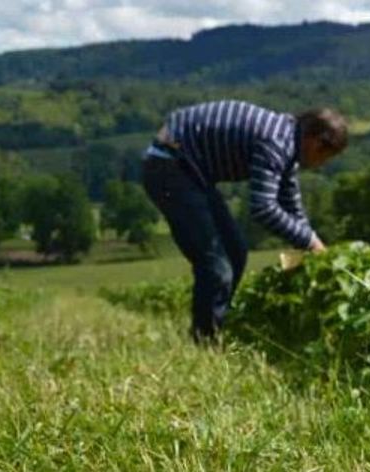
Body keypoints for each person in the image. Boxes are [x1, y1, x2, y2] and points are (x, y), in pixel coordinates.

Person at [141, 101, 348, 342]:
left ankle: (216, 328)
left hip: (189, 170)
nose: (323, 163)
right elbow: (264, 208)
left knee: (235, 252)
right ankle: (205, 341)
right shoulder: (276, 142)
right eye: (326, 156)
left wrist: (311, 243)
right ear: (315, 142)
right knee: (216, 267)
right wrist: (310, 242)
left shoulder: (288, 141)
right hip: (170, 166)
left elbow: (290, 202)